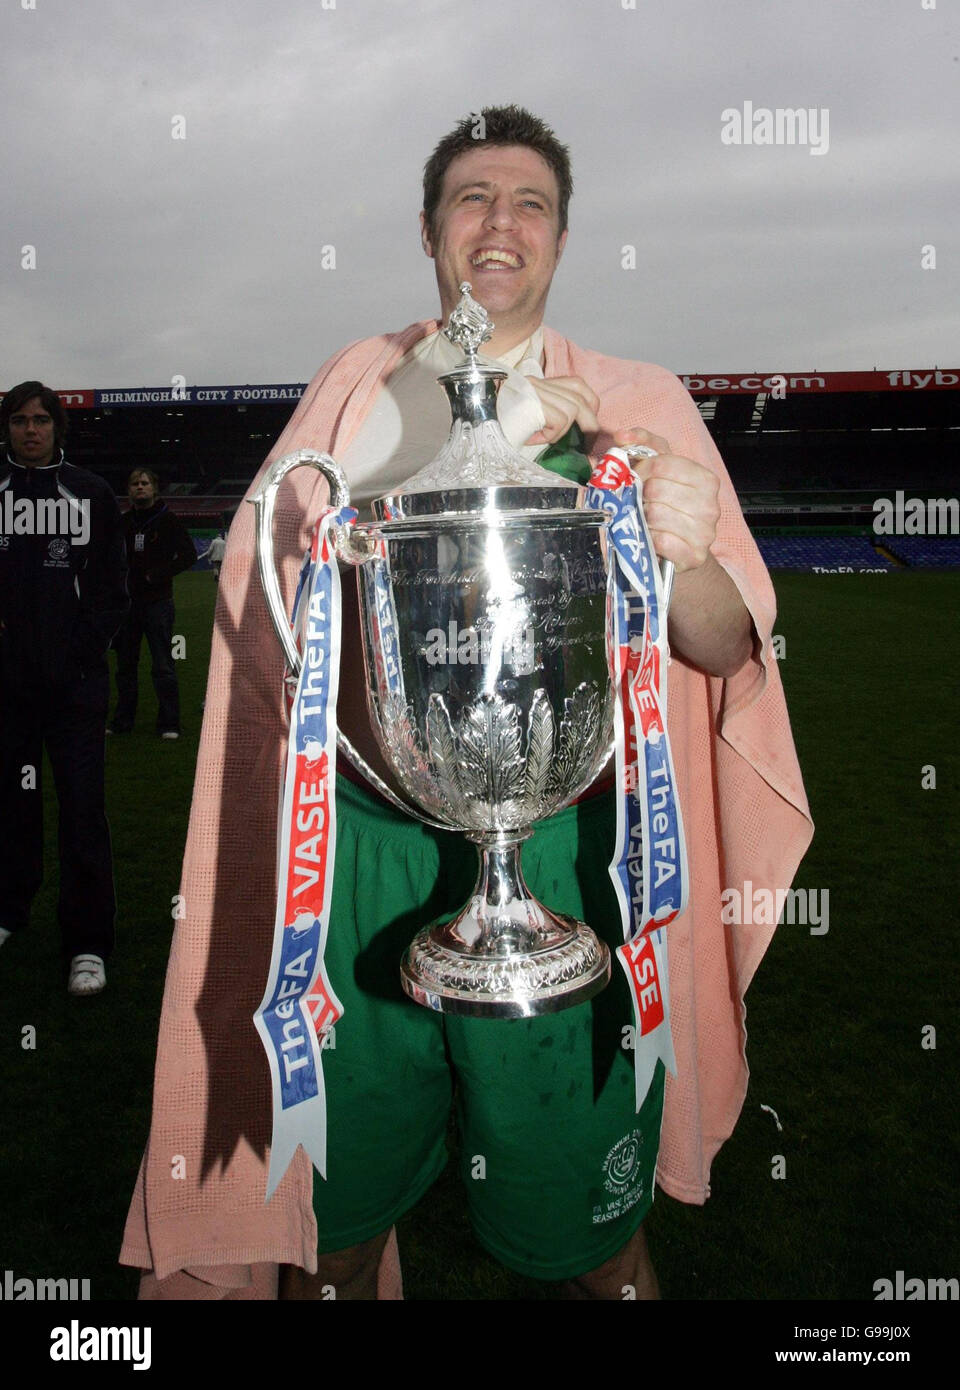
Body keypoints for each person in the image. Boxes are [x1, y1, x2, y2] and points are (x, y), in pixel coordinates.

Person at [122, 107, 813, 1299]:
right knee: (332, 1229)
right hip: (361, 861)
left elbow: (726, 639)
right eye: (474, 200)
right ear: (431, 232)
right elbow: (261, 595)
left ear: (561, 239)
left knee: (593, 1243)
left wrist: (676, 543)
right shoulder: (358, 388)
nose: (502, 224)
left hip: (566, 860)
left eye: (532, 203)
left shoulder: (632, 400)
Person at [0, 380, 128, 995]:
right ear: (8, 428)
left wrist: (76, 658)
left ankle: (87, 943)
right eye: (20, 420)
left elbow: (111, 593)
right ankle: (8, 908)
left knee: (82, 810)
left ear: (57, 428)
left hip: (75, 692)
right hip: (7, 691)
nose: (30, 430)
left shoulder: (92, 494)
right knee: (11, 806)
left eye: (41, 420)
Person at [110, 468, 196, 740]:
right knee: (125, 666)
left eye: (144, 483)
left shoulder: (167, 520)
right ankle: (122, 722)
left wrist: (157, 575)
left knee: (162, 665)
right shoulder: (123, 523)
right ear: (128, 489)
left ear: (155, 489)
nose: (139, 487)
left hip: (157, 604)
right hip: (127, 606)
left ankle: (169, 723)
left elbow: (189, 555)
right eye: (134, 483)